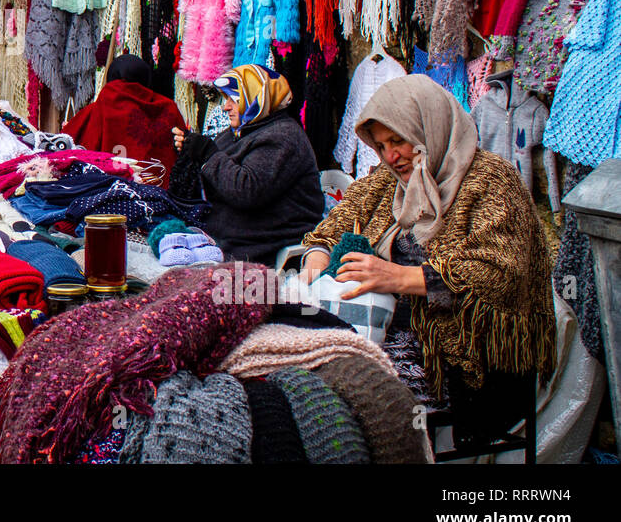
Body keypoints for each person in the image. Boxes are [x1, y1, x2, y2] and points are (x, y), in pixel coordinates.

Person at [299, 74, 555, 430]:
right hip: (383, 331)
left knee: (342, 400)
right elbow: (329, 230)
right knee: (294, 380)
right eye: (381, 145)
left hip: (460, 353)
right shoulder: (387, 182)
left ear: (427, 126)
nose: (392, 155)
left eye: (399, 140)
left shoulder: (491, 180)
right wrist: (316, 263)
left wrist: (400, 277)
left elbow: (501, 274)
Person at [168, 64, 323, 265]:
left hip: (263, 244)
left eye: (234, 99)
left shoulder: (284, 137)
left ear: (257, 97)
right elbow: (215, 165)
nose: (226, 106)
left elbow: (247, 190)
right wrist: (191, 149)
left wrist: (207, 155)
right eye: (226, 99)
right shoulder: (241, 132)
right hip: (231, 237)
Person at [62, 54, 184, 183]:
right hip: (159, 194)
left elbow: (66, 146)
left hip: (105, 195)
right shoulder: (167, 108)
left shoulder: (97, 109)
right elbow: (183, 150)